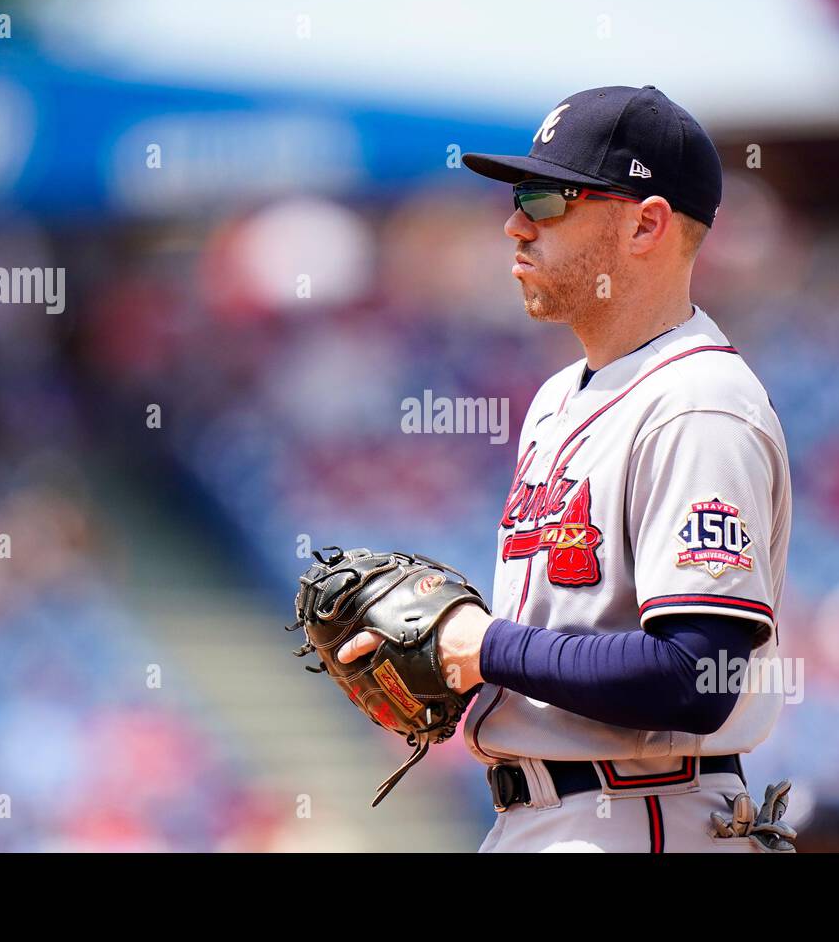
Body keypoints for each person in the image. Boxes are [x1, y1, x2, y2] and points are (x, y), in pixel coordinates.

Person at [340, 86, 793, 853]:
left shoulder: (699, 403)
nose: (514, 223)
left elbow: (695, 677)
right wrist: (459, 662)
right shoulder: (559, 398)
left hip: (642, 814)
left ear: (646, 223)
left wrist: (483, 646)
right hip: (547, 817)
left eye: (544, 200)